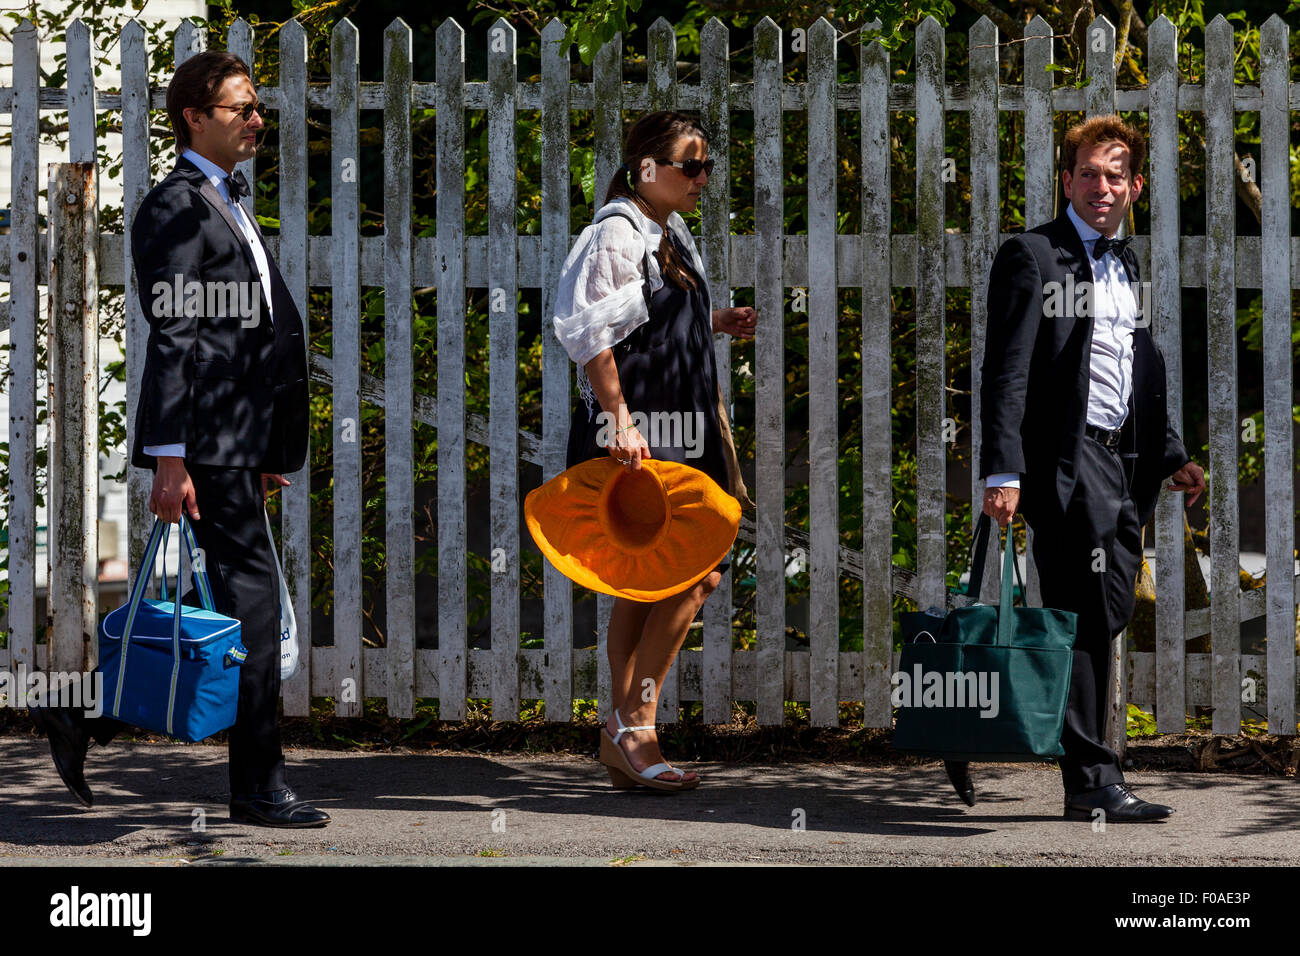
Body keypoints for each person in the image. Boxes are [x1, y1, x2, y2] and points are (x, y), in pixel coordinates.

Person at [30, 51, 328, 828]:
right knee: (254, 613)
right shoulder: (176, 207)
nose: (257, 119)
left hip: (234, 442)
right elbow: (175, 336)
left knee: (245, 612)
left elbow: (245, 336)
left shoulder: (223, 198)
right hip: (201, 445)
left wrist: (260, 448)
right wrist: (170, 458)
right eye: (242, 108)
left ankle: (87, 718)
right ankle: (256, 787)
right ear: (194, 116)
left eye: (258, 107)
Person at [968, 115, 1206, 822]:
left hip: (1122, 461)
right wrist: (1002, 473)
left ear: (1134, 185)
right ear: (1066, 181)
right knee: (1086, 614)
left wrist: (1171, 455)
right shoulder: (1031, 255)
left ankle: (1092, 774)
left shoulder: (1124, 262)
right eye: (1087, 175)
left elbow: (1131, 368)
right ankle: (1093, 778)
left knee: (1096, 611)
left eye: (1115, 175)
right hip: (1068, 466)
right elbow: (1005, 372)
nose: (1101, 187)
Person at [552, 111, 757, 791]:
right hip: (641, 439)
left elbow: (650, 321)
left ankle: (623, 729)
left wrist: (715, 320)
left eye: (706, 167)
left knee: (649, 581)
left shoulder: (668, 234)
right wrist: (620, 420)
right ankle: (634, 725)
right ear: (648, 168)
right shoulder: (613, 233)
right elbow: (587, 335)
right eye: (689, 166)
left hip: (683, 434)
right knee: (691, 576)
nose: (703, 178)